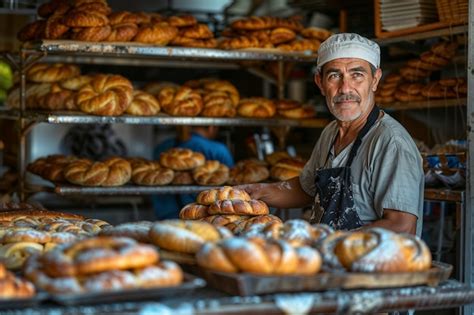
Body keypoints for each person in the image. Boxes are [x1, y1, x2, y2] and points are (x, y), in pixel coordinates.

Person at [240, 33, 424, 235]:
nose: (345, 88)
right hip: (330, 261)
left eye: (357, 75)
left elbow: (402, 226)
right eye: (334, 76)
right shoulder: (331, 132)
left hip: (370, 263)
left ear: (375, 80)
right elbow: (306, 189)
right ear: (320, 82)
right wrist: (257, 191)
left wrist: (330, 241)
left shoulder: (390, 142)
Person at [153, 126, 234, 219]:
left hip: (166, 217)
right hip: (206, 218)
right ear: (211, 128)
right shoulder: (219, 150)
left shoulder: (161, 148)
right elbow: (230, 186)